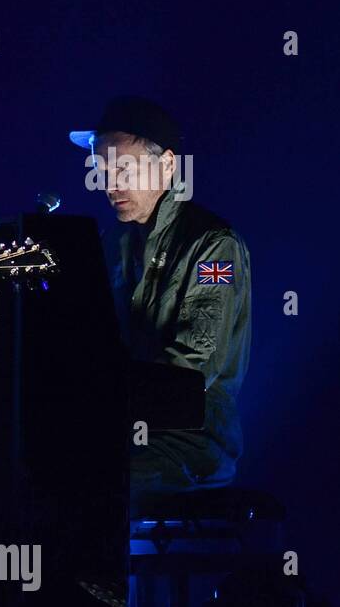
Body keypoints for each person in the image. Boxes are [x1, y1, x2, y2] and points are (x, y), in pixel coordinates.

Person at [72, 96, 251, 512]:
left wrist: (100, 402)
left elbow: (192, 366)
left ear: (168, 165)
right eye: (101, 170)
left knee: (89, 481)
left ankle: (97, 579)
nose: (110, 184)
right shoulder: (114, 241)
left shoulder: (213, 244)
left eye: (123, 170)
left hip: (191, 441)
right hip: (124, 427)